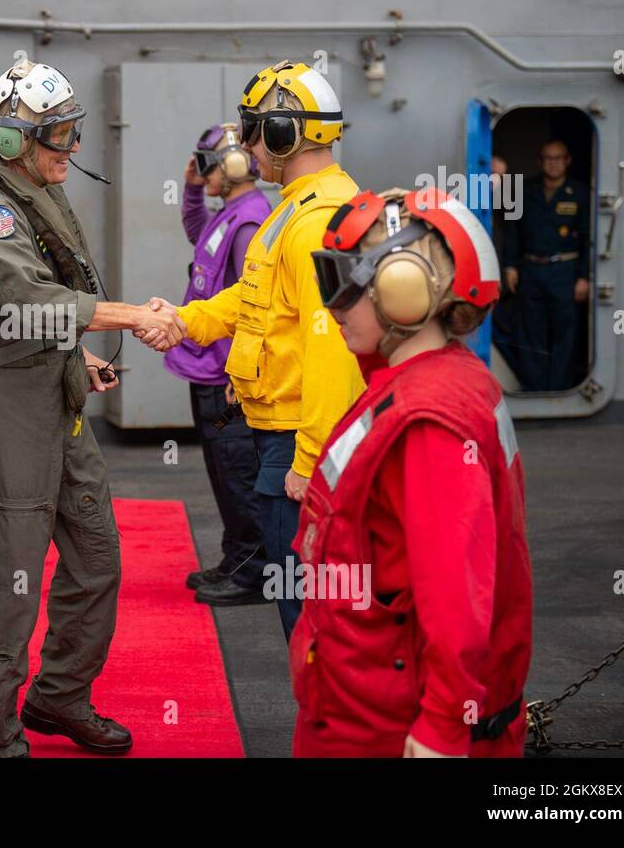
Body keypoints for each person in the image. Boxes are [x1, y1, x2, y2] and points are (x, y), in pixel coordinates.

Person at [0, 58, 184, 758]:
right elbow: (29, 301)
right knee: (9, 581)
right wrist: (134, 316)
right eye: (58, 135)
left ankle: (59, 695)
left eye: (75, 132)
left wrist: (76, 360)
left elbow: (29, 318)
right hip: (2, 406)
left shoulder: (29, 196)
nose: (71, 148)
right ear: (15, 139)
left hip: (51, 391)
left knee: (97, 557)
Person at [291, 186, 532, 757]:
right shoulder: (429, 379)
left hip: (382, 724)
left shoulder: (429, 418)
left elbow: (455, 596)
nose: (331, 305)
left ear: (402, 292)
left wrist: (442, 732)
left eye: (344, 283)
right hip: (357, 703)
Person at [151, 61, 363, 641]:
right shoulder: (294, 211)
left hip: (296, 440)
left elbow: (331, 348)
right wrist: (184, 321)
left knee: (308, 612)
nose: (246, 147)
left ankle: (331, 725)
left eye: (253, 131)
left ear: (281, 133)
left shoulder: (312, 222)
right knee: (296, 596)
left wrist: (309, 461)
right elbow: (254, 297)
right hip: (282, 433)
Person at [165, 124, 270, 606]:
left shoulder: (249, 221)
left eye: (207, 162)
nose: (202, 169)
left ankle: (253, 570)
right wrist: (190, 188)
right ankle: (237, 556)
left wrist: (238, 372)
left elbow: (256, 304)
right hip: (207, 371)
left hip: (226, 379)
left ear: (228, 168)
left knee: (237, 468)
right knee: (223, 469)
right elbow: (197, 235)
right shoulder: (229, 214)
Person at [502, 140, 591, 391]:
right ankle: (535, 390)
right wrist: (510, 266)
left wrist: (584, 277)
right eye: (548, 158)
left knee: (565, 335)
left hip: (565, 272)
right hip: (530, 271)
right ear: (540, 162)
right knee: (531, 334)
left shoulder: (581, 193)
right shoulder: (523, 190)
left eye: (558, 158)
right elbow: (512, 231)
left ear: (568, 161)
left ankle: (560, 389)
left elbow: (588, 239)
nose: (553, 163)